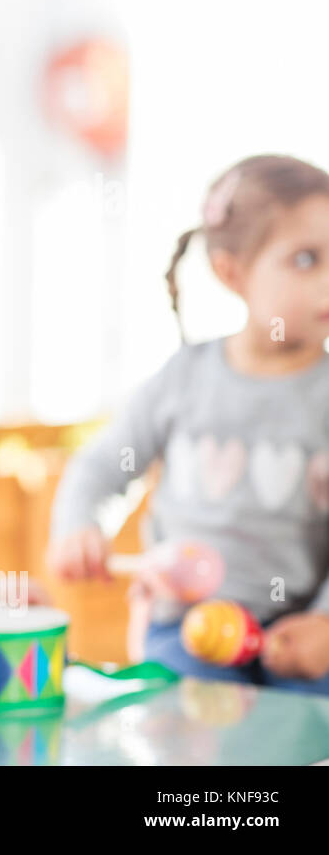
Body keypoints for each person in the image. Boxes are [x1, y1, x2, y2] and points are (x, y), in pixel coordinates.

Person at [49, 155, 329, 690]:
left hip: (303, 635)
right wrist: (79, 524)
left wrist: (325, 624)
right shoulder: (185, 378)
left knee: (301, 733)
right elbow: (101, 467)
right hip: (186, 629)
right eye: (306, 259)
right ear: (233, 273)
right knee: (192, 732)